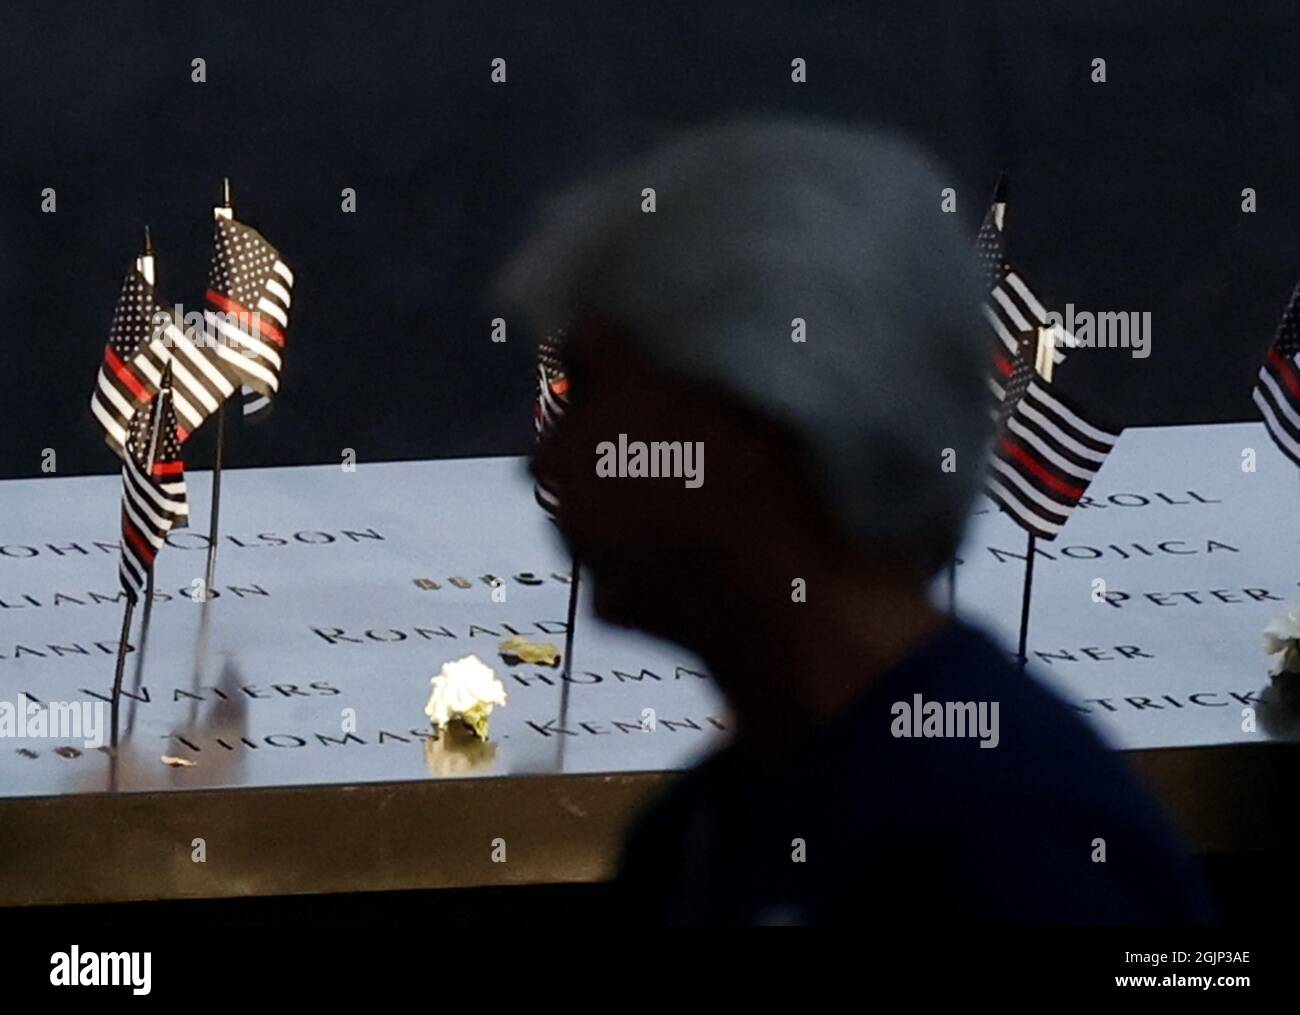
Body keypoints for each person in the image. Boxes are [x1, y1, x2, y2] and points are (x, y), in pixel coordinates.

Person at [495, 120, 1212, 925]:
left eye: (590, 389)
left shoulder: (1026, 853)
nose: (545, 461)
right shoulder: (695, 833)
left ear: (758, 422)